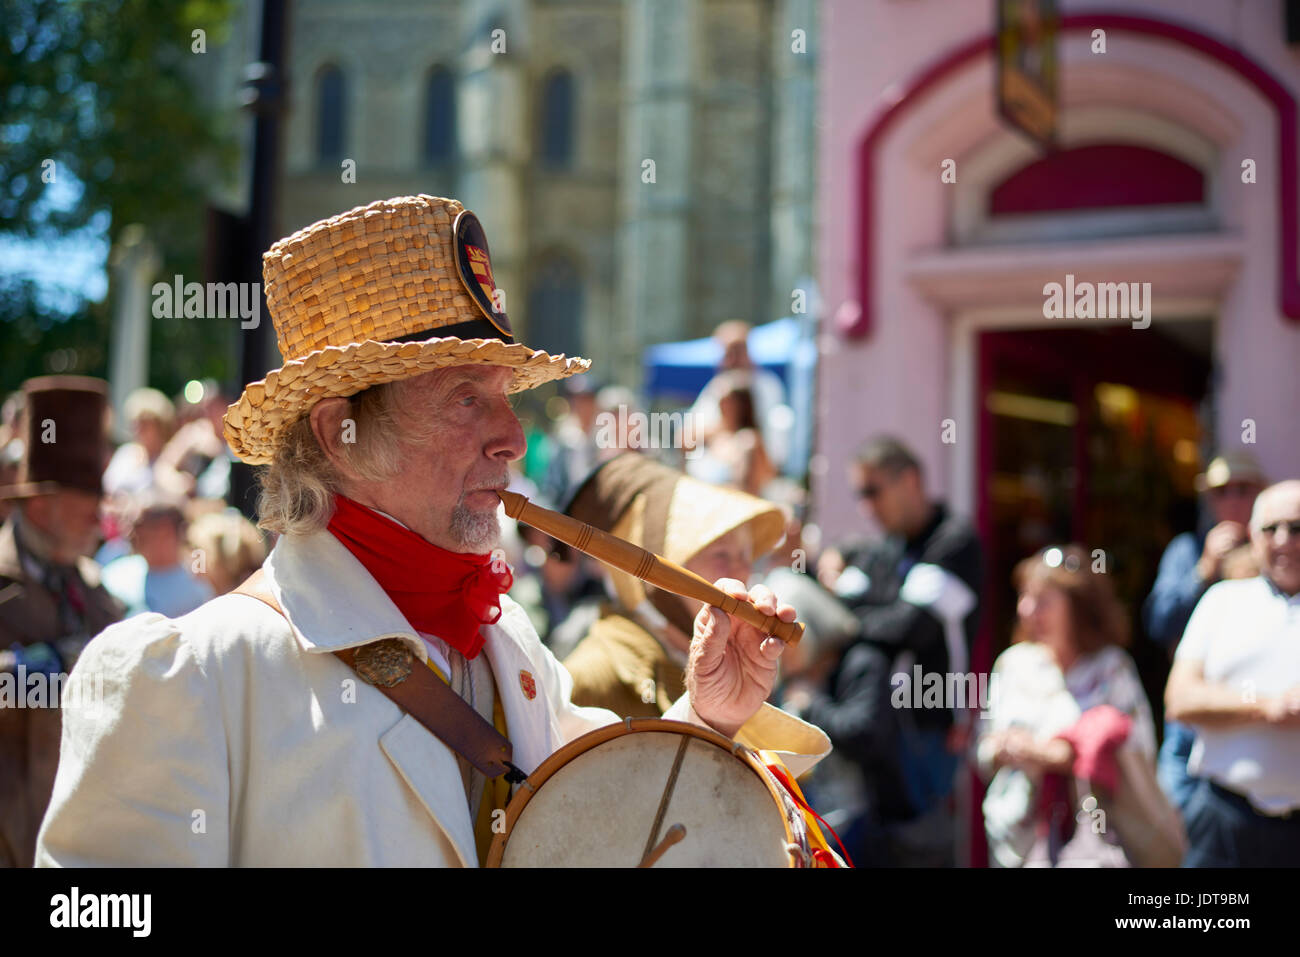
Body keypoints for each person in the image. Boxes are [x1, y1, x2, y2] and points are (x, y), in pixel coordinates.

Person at [36, 195, 827, 867]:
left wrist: (708, 714)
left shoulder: (510, 644)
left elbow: (611, 837)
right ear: (341, 427)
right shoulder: (192, 676)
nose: (513, 437)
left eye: (505, 394)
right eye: (466, 398)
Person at [807, 436, 983, 864]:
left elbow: (909, 627)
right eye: (859, 494)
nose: (867, 506)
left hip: (929, 724)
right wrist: (837, 556)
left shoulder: (954, 543)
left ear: (910, 481)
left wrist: (850, 620)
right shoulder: (891, 545)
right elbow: (859, 593)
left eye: (874, 491)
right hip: (881, 728)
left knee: (919, 845)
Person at [0, 376, 124, 868]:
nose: (99, 525)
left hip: (77, 840)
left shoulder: (97, 595)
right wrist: (30, 671)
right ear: (39, 507)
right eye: (87, 510)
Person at [562, 452, 786, 718]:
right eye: (721, 555)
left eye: (745, 555)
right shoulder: (589, 679)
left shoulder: (731, 659)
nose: (742, 570)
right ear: (658, 579)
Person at [978, 545, 1157, 867]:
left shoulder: (1111, 667)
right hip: (1014, 846)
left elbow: (1137, 749)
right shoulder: (1013, 663)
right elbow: (981, 749)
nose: (1027, 610)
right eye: (1024, 597)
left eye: (1043, 600)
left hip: (1089, 843)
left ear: (1077, 606)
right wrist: (1000, 748)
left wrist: (1052, 754)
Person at [1165, 480, 1300, 867]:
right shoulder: (1222, 600)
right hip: (1224, 823)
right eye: (1271, 529)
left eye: (1297, 528)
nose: (1284, 540)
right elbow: (1180, 700)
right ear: (1253, 537)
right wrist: (1267, 707)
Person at [1145, 452, 1266, 815]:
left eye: (1242, 489)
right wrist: (1204, 570)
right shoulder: (1186, 550)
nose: (1232, 500)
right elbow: (1158, 623)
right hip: (1192, 718)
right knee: (1179, 825)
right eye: (1221, 491)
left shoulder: (1279, 552)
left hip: (1254, 714)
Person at [689, 320, 793, 470]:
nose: (732, 360)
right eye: (727, 353)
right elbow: (687, 436)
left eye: (737, 351)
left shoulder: (767, 386)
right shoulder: (716, 387)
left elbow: (774, 452)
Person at [100, 494, 215, 618]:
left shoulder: (198, 586)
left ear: (171, 532)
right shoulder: (114, 575)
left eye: (138, 525)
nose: (129, 533)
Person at [685, 371, 777, 496]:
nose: (721, 405)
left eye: (726, 402)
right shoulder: (711, 436)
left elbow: (752, 485)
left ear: (741, 406)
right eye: (720, 401)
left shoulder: (749, 440)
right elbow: (683, 442)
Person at [101, 387, 175, 497]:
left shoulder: (172, 457)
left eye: (145, 423)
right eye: (136, 423)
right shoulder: (125, 453)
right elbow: (107, 488)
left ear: (160, 426)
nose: (138, 429)